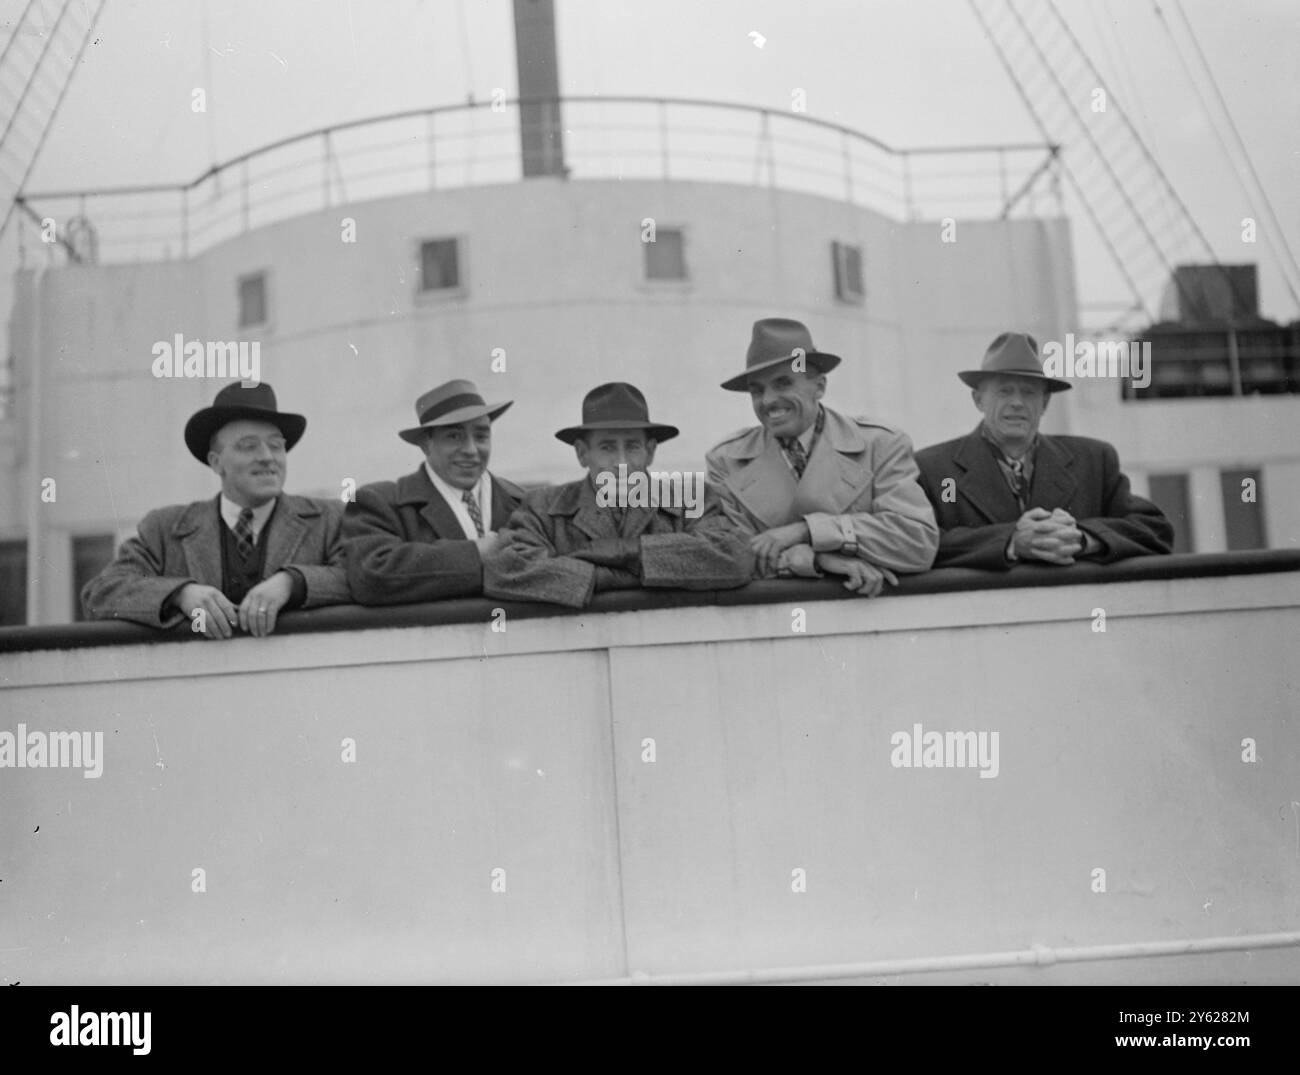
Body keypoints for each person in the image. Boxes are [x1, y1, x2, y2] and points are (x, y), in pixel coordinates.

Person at [81, 381, 349, 638]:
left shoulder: (329, 519)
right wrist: (180, 594)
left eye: (276, 445)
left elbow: (362, 578)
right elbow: (100, 594)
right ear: (216, 462)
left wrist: (294, 583)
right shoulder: (165, 529)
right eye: (249, 446)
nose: (268, 457)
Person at [705, 318, 938, 596]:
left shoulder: (881, 445)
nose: (767, 400)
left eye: (782, 383)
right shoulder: (727, 461)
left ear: (819, 386)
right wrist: (819, 559)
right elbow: (737, 557)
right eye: (757, 390)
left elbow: (917, 542)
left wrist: (806, 531)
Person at [914, 332, 1173, 570]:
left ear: (1045, 403)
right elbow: (922, 541)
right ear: (978, 400)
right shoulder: (939, 472)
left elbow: (1155, 529)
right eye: (1004, 391)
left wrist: (1084, 539)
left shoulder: (1093, 461)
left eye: (1028, 392)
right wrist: (1012, 541)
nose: (1016, 403)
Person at [484, 382, 753, 608]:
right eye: (608, 447)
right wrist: (605, 577)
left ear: (650, 452)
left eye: (633, 446)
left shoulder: (690, 498)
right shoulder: (544, 506)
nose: (622, 461)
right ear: (582, 454)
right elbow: (505, 568)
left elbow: (734, 557)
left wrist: (626, 551)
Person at [343, 379, 524, 604]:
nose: (470, 450)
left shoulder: (522, 502)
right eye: (454, 436)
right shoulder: (381, 503)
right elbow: (371, 578)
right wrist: (477, 553)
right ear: (426, 444)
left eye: (481, 436)